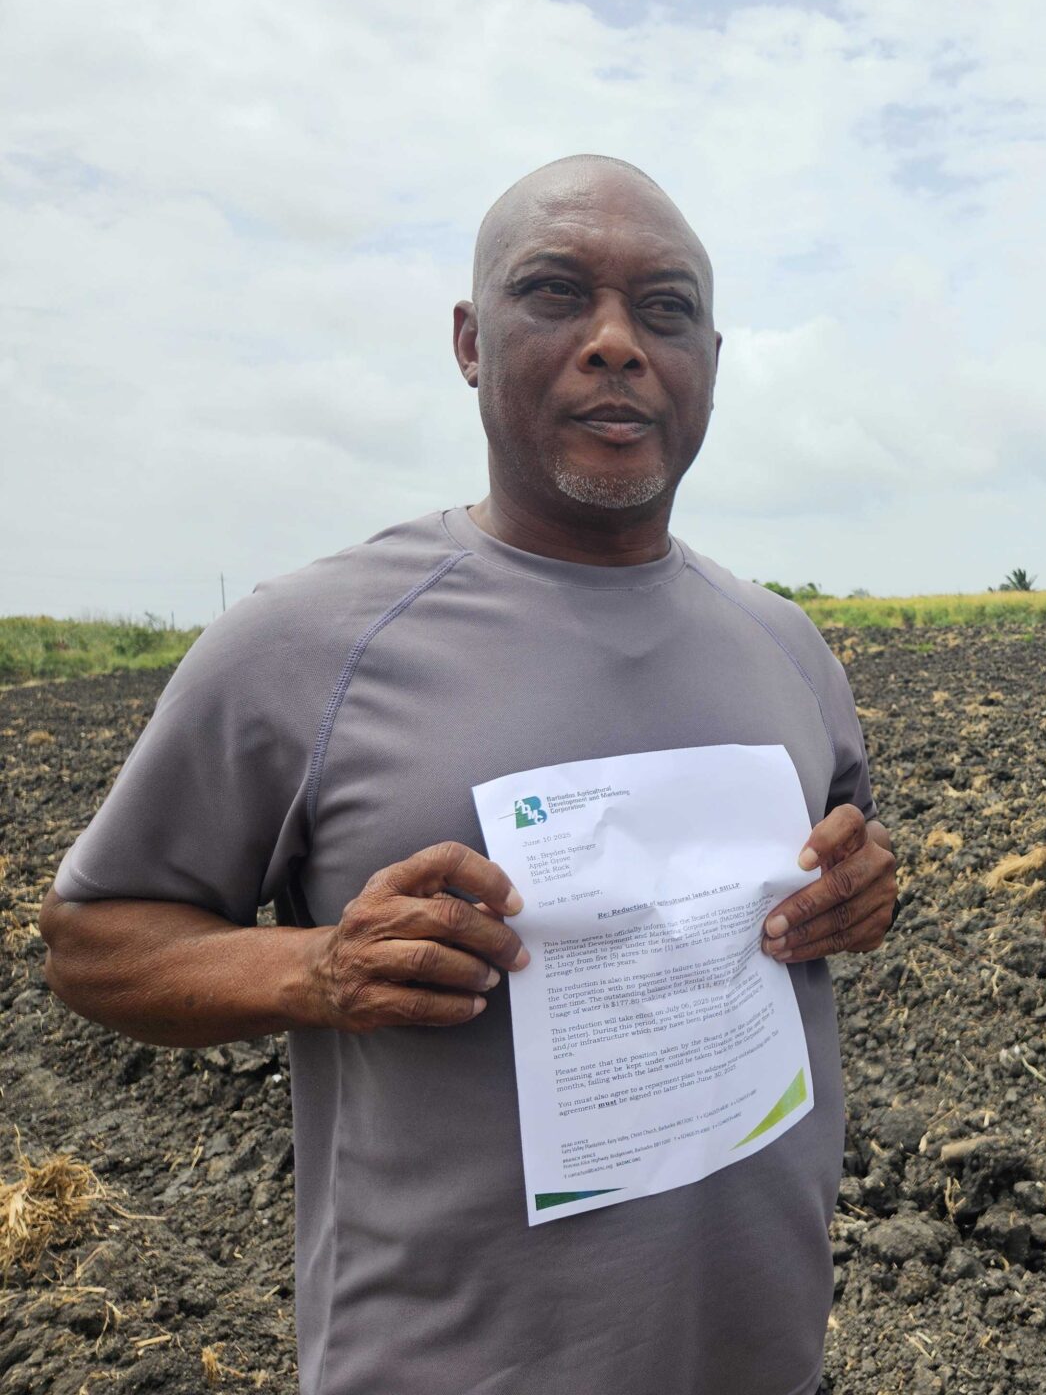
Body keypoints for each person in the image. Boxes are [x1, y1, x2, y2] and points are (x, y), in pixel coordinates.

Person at [40, 155, 897, 1395]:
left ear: (710, 358)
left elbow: (846, 865)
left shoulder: (786, 647)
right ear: (469, 342)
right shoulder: (307, 647)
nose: (616, 342)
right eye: (556, 294)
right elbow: (90, 943)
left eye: (664, 310)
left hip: (766, 1360)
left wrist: (861, 897)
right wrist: (314, 970)